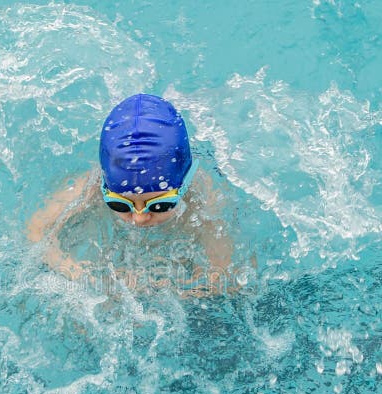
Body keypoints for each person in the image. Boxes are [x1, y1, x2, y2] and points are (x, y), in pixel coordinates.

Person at [27, 93, 248, 295]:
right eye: (120, 205)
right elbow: (36, 230)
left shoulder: (205, 200)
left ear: (184, 186)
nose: (139, 218)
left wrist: (175, 291)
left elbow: (228, 276)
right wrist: (84, 277)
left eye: (160, 205)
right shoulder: (88, 187)